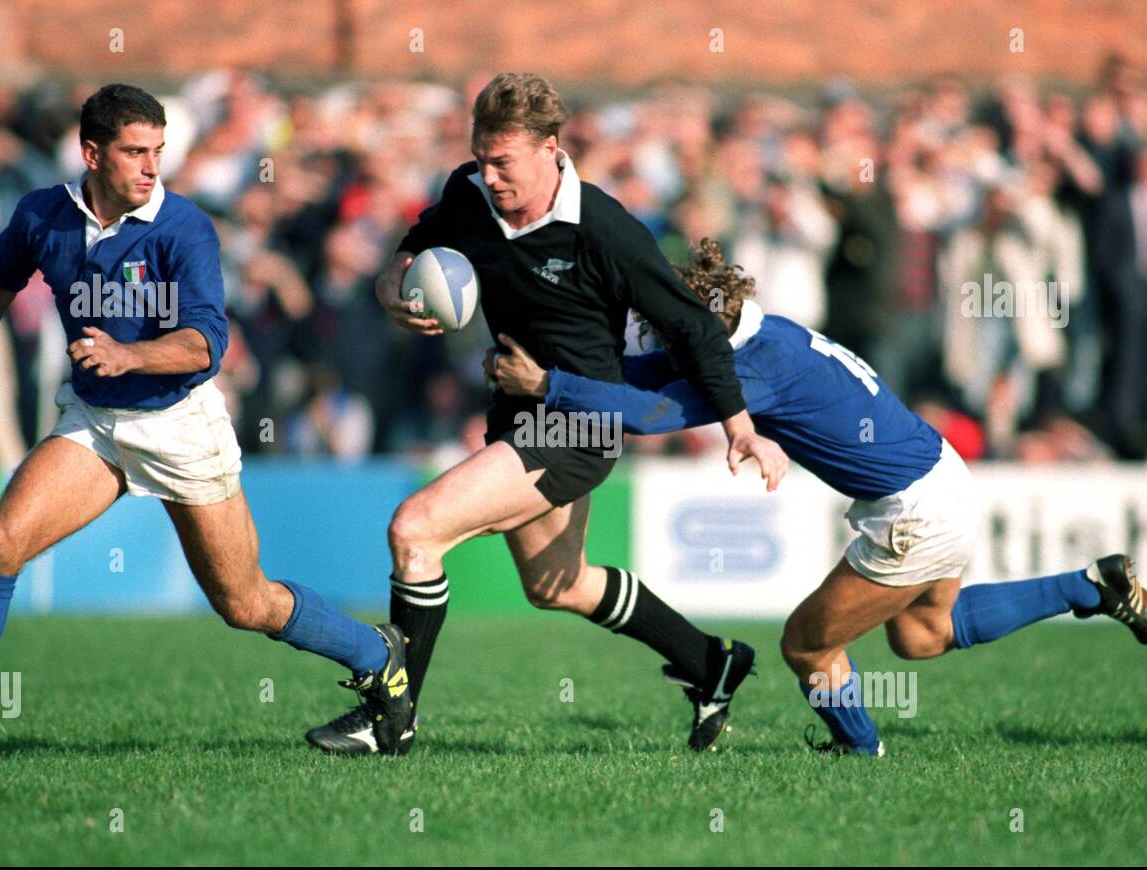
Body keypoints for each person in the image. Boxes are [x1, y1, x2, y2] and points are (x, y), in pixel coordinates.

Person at [491, 238, 1147, 756]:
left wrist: (549, 384)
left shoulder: (751, 368)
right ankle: (1089, 585)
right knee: (924, 634)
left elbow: (650, 413)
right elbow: (657, 376)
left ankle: (860, 751)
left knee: (807, 646)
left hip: (915, 511)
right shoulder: (765, 332)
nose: (662, 337)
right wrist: (569, 361)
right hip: (942, 476)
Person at [0, 84, 410, 761]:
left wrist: (128, 353)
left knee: (244, 603)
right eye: (135, 152)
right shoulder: (44, 216)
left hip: (180, 423)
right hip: (96, 422)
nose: (152, 167)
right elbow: (0, 270)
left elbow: (210, 341)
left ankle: (376, 653)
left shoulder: (183, 227)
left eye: (159, 151)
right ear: (92, 154)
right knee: (2, 542)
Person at [305, 73, 788, 756]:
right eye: (481, 158)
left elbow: (694, 329)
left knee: (415, 529)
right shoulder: (468, 196)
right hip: (516, 413)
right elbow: (411, 248)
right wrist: (394, 290)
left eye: (503, 161)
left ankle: (389, 720)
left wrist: (740, 427)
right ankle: (714, 663)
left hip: (579, 423)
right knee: (558, 584)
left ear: (550, 150)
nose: (489, 175)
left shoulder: (606, 229)